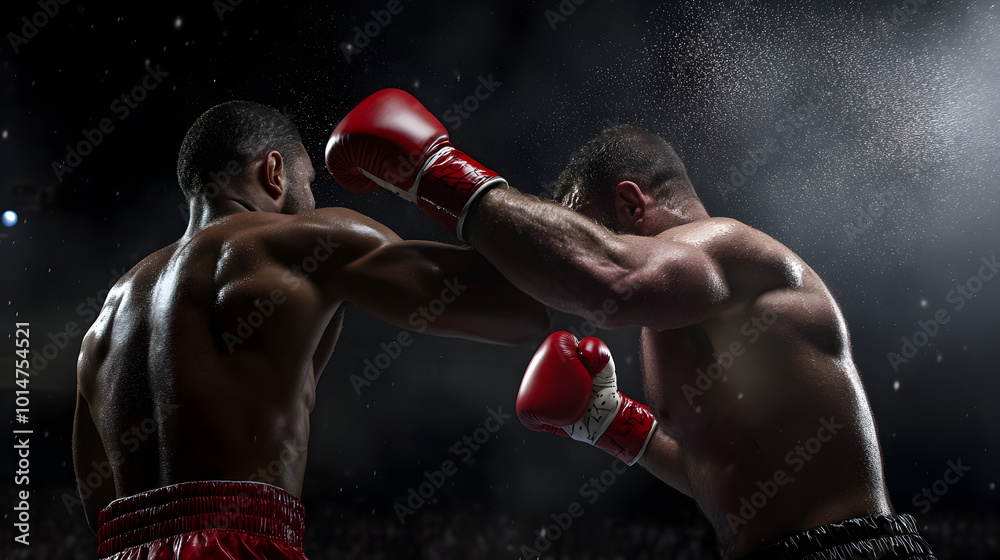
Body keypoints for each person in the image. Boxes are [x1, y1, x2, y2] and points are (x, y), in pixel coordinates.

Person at [324, 88, 938, 559]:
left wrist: (435, 170)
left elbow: (602, 276)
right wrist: (613, 424)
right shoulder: (670, 327)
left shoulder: (726, 246)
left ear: (629, 203)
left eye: (586, 226)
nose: (567, 249)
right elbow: (715, 478)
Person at [73, 100, 552, 559]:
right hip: (241, 545)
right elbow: (522, 307)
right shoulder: (305, 241)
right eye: (308, 181)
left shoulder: (106, 321)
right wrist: (438, 172)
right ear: (274, 171)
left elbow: (100, 501)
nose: (315, 199)